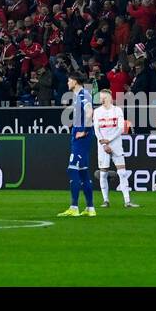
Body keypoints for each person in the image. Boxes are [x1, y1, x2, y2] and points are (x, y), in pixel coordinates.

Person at [58, 72, 97, 217]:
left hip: (82, 134)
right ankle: (90, 208)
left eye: (69, 80)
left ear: (75, 81)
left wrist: (85, 130)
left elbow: (89, 112)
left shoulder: (83, 94)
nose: (68, 83)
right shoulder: (78, 95)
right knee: (83, 172)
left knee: (72, 169)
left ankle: (74, 207)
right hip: (78, 132)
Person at [93, 90, 139, 210]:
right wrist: (104, 144)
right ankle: (106, 200)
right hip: (103, 145)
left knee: (122, 173)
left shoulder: (117, 110)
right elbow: (96, 130)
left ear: (109, 98)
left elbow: (120, 128)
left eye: (104, 97)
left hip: (116, 144)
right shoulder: (97, 112)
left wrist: (109, 140)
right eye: (101, 98)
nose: (101, 100)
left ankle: (127, 201)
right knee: (103, 174)